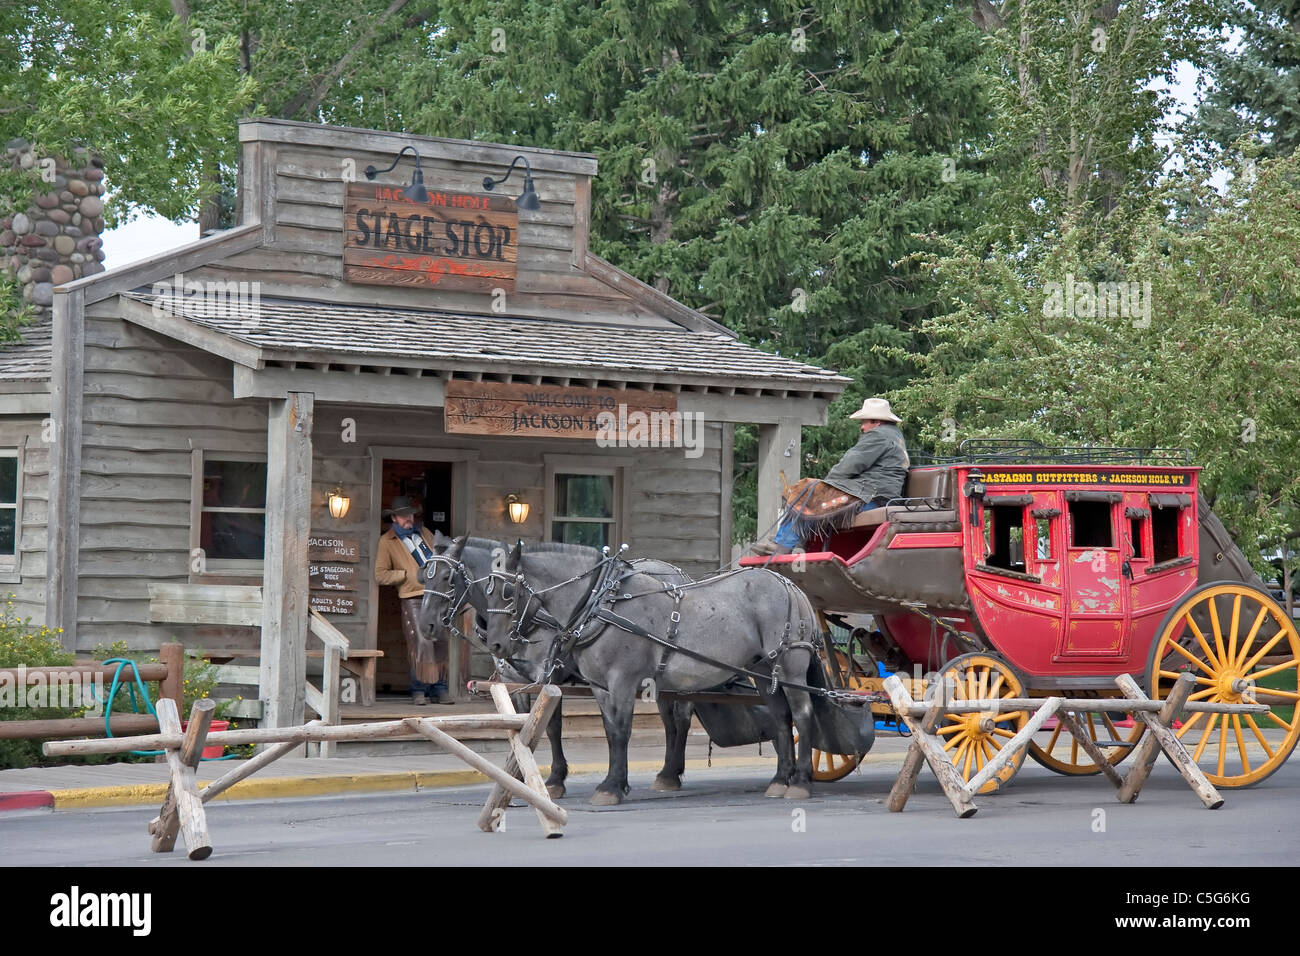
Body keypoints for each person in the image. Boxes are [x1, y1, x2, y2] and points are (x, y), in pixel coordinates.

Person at [753, 397, 910, 555]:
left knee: (808, 492)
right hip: (878, 495)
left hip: (871, 497)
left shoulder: (878, 436)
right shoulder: (894, 436)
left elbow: (849, 465)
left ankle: (783, 546)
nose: (862, 427)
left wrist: (825, 486)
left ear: (876, 421)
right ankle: (795, 542)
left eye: (864, 422)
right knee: (810, 495)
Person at [375, 495, 451, 705]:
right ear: (394, 519)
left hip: (437, 596)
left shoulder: (424, 532)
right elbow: (380, 575)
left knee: (440, 642)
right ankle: (419, 690)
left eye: (409, 514)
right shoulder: (387, 541)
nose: (407, 518)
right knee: (422, 642)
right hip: (413, 597)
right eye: (402, 516)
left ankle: (439, 689)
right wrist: (406, 575)